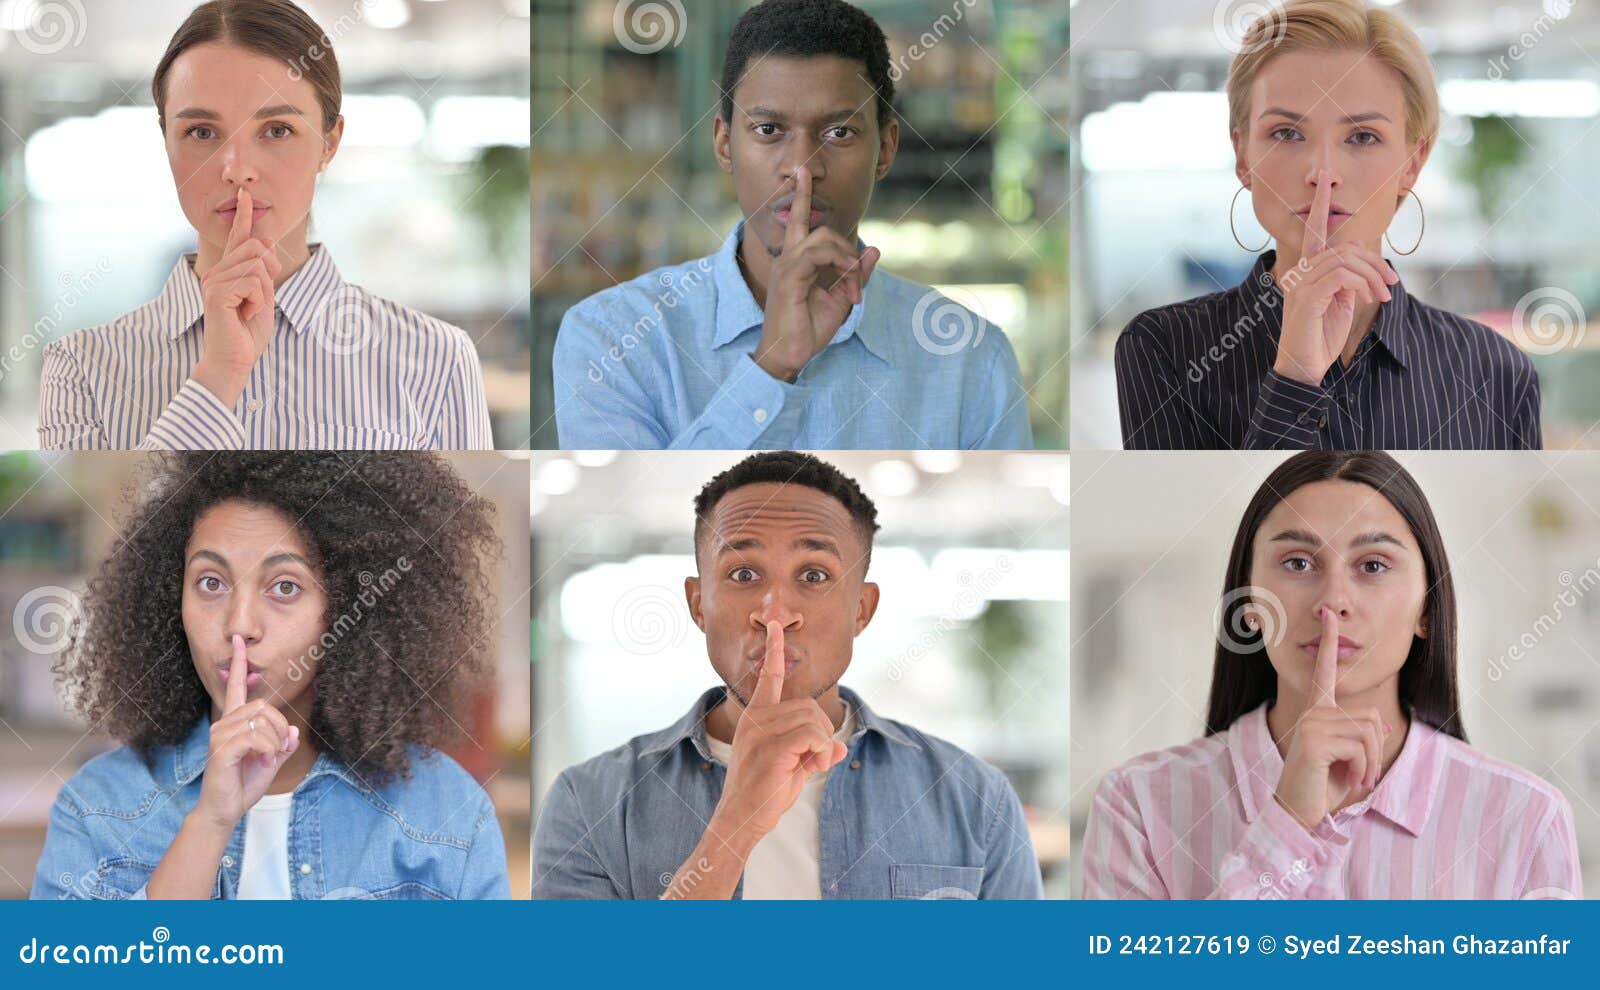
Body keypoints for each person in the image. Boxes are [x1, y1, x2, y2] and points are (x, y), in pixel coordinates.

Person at [532, 451, 1041, 898]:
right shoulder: (589, 803)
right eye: (743, 574)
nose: (775, 612)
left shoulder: (978, 800)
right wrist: (734, 825)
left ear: (862, 610)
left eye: (814, 576)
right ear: (698, 603)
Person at [1079, 450, 1580, 898]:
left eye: (1374, 565)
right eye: (1297, 562)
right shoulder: (1138, 806)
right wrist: (1287, 824)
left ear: (1427, 609)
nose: (1332, 601)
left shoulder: (1525, 819)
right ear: (1249, 603)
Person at [552, 0, 1031, 450]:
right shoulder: (612, 340)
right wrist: (772, 365)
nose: (803, 168)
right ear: (723, 144)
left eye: (839, 133)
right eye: (768, 130)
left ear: (885, 150)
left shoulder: (971, 361)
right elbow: (648, 513)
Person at [32, 452, 509, 899]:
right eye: (211, 583)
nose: (239, 625)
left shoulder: (447, 813)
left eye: (285, 587)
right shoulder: (98, 805)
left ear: (351, 612)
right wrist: (209, 822)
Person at [38, 0, 492, 450]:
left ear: (329, 144)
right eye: (201, 132)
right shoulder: (81, 370)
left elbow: (460, 525)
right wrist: (216, 378)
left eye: (276, 130)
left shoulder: (437, 359)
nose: (237, 169)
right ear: (166, 143)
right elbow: (126, 525)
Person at [1114, 0, 1539, 450]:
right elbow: (1214, 523)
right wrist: (1294, 377)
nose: (1323, 171)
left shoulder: (1496, 371)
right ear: (1243, 157)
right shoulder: (1163, 349)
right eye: (1287, 134)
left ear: (1412, 163)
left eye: (1362, 137)